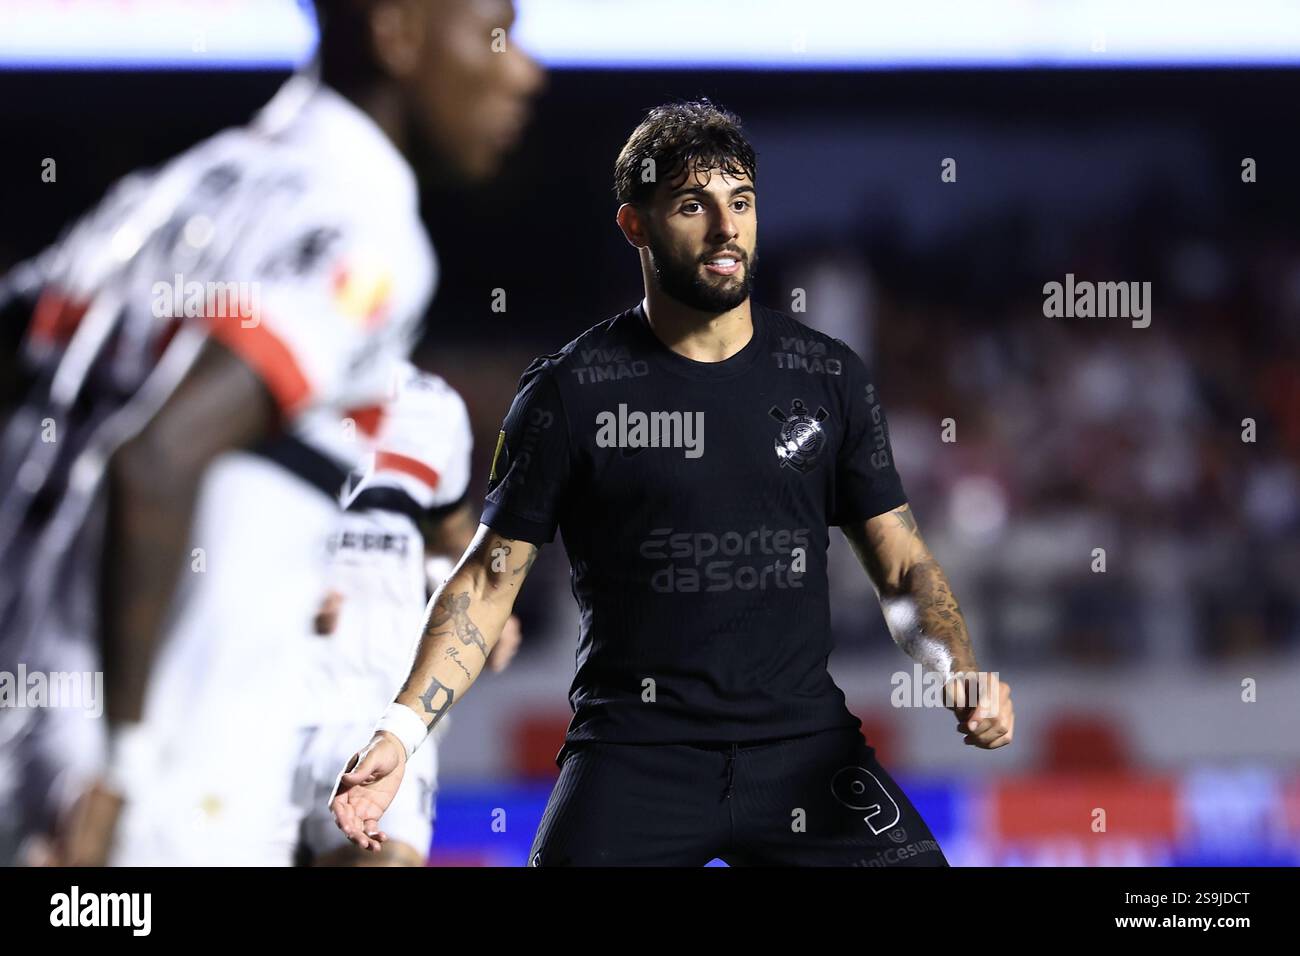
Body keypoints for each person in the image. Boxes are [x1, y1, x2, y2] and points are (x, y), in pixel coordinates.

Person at [331, 100, 1014, 866]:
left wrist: (957, 669)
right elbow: (488, 583)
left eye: (742, 202)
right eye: (694, 204)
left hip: (804, 756)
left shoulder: (827, 376)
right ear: (635, 225)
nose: (727, 229)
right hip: (632, 758)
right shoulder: (571, 392)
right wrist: (400, 729)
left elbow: (902, 567)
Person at [0, 0, 543, 866]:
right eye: (497, 29)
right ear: (397, 32)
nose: (525, 68)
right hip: (157, 793)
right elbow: (157, 459)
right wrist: (120, 769)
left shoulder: (160, 198)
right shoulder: (365, 226)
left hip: (33, 753)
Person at [293, 361, 522, 867]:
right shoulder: (256, 379)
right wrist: (280, 588)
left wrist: (484, 603)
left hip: (375, 703)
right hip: (259, 704)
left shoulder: (433, 407)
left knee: (384, 859)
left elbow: (448, 536)